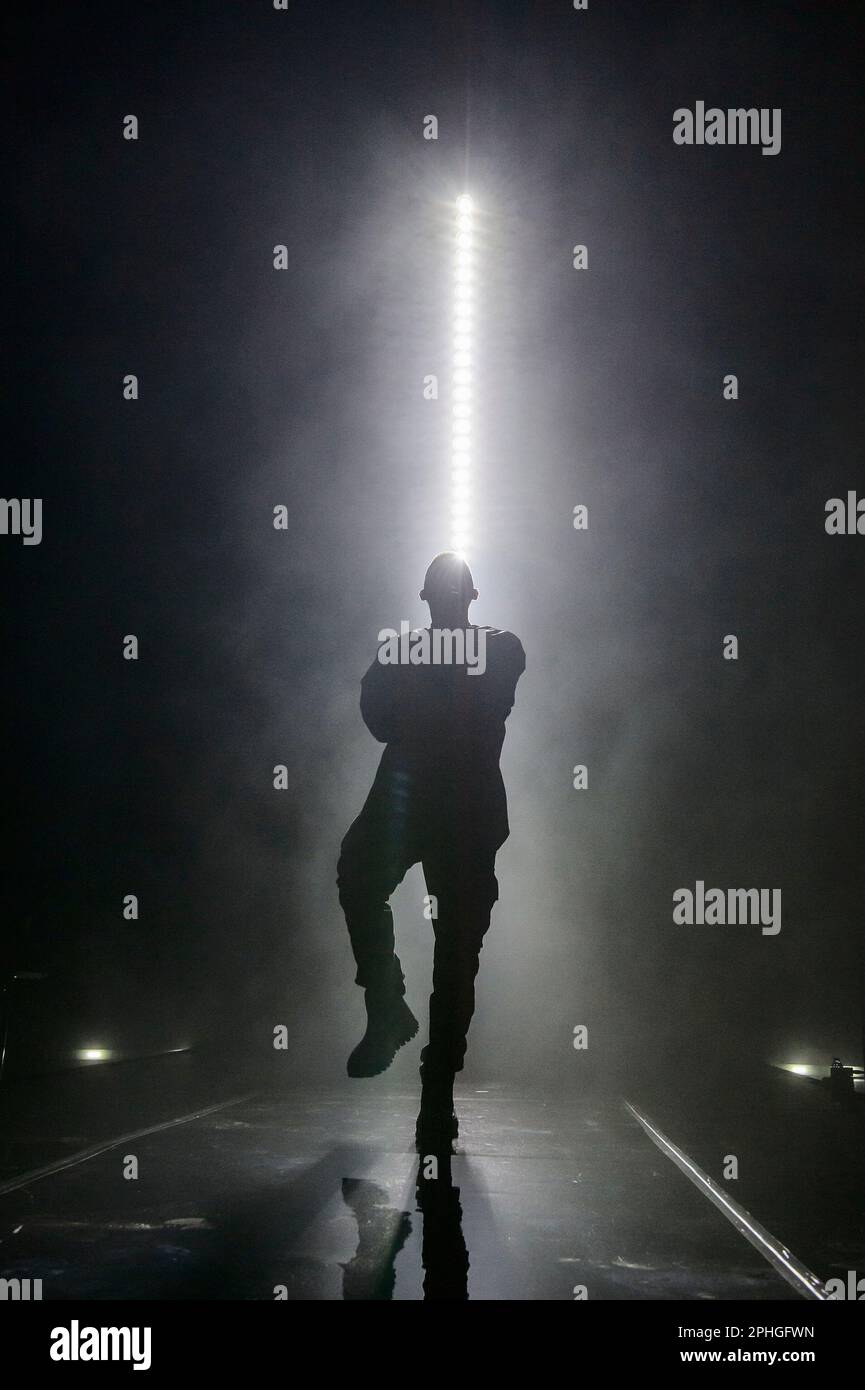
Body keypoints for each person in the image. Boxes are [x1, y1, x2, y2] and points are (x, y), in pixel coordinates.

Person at [337, 552, 525, 1149]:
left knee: (456, 958)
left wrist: (417, 674)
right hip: (421, 802)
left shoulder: (498, 647)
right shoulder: (428, 650)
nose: (444, 599)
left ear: (467, 597)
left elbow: (466, 702)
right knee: (363, 880)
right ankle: (390, 1009)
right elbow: (381, 719)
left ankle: (435, 1091)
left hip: (451, 809)